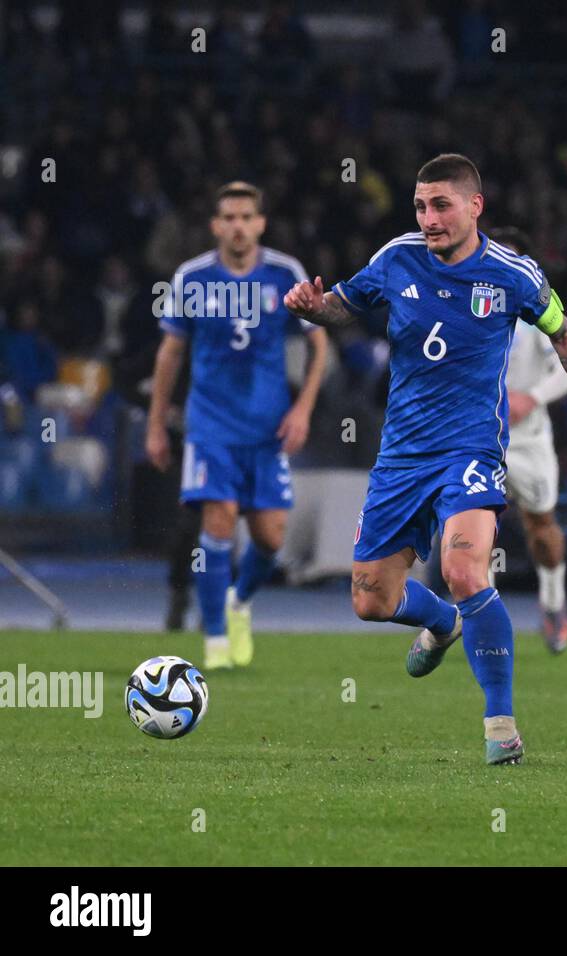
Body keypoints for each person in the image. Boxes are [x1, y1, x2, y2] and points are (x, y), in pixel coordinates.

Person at [283, 154, 567, 765]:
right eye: (420, 206)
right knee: (371, 599)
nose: (428, 219)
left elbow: (564, 333)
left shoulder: (512, 274)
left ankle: (501, 725)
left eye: (440, 206)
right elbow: (343, 306)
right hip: (402, 455)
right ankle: (442, 622)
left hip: (471, 449)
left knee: (465, 572)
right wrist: (313, 308)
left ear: (474, 207)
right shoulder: (396, 257)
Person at [147, 181, 328, 670]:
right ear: (215, 225)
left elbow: (319, 343)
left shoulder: (283, 273)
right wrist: (157, 423)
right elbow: (171, 352)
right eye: (228, 217)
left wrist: (302, 409)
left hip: (267, 430)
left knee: (270, 537)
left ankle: (239, 602)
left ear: (260, 224)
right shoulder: (192, 277)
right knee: (219, 521)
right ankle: (214, 640)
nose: (238, 226)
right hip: (210, 427)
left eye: (247, 216)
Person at [492, 227, 567, 653]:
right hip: (479, 437)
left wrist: (533, 396)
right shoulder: (466, 304)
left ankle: (554, 603)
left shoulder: (538, 312)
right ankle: (477, 615)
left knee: (541, 528)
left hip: (529, 439)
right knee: (472, 522)